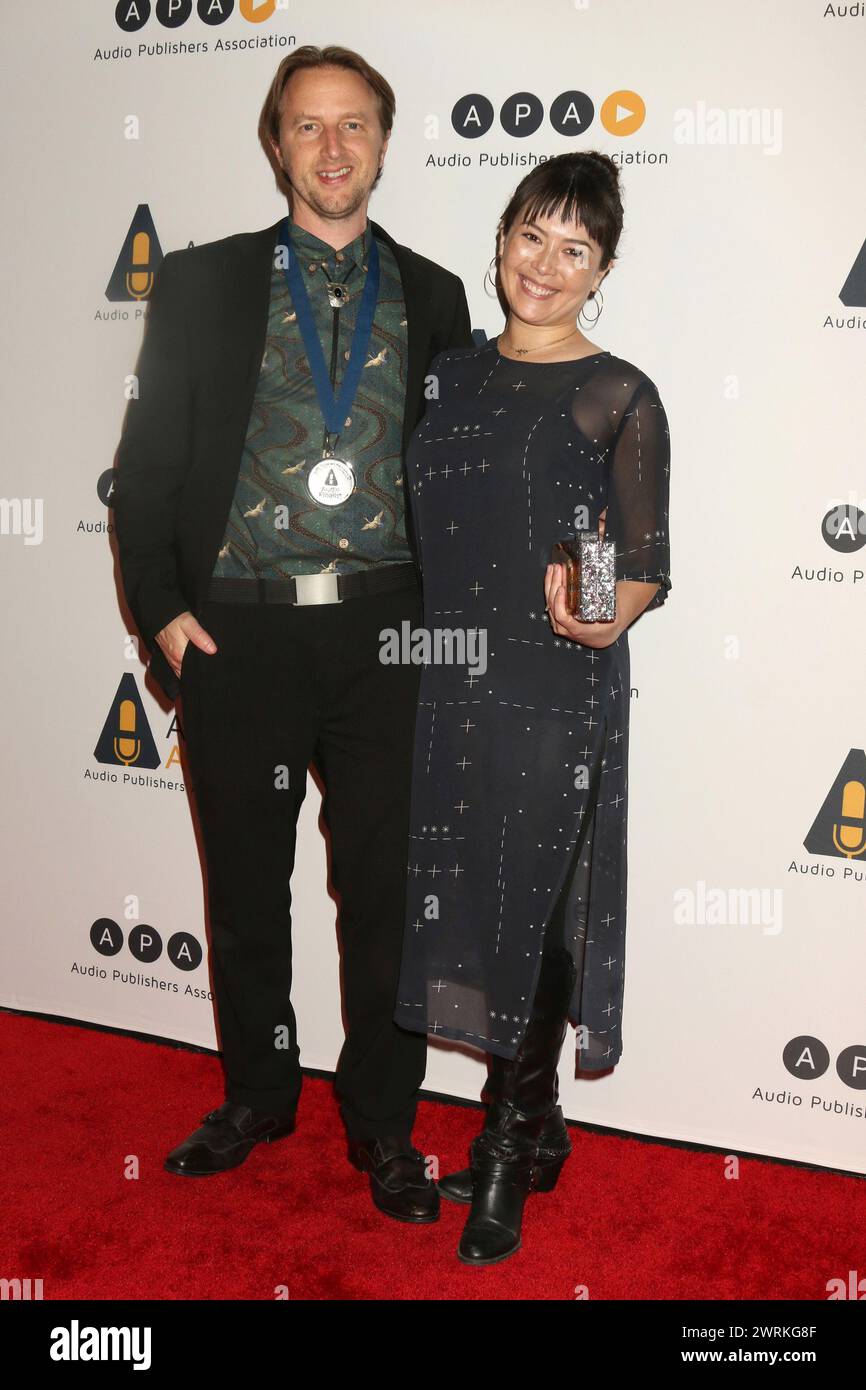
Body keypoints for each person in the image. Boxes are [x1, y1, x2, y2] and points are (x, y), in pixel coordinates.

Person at [112, 45, 473, 1222]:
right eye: (307, 126)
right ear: (277, 144)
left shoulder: (432, 295)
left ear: (382, 139)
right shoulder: (204, 283)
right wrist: (163, 612)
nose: (330, 148)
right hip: (239, 641)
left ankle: (382, 1125)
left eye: (353, 125)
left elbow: (462, 488)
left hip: (385, 644)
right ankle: (261, 1093)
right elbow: (149, 464)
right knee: (247, 891)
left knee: (382, 896)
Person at [393, 151, 672, 1262]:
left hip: (554, 686)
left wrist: (605, 612)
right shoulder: (448, 374)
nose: (544, 267)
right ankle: (543, 1122)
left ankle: (507, 1146)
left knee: (536, 908)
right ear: (500, 238)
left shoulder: (616, 393)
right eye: (530, 237)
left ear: (600, 271)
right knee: (464, 899)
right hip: (442, 675)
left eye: (574, 250)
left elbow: (632, 559)